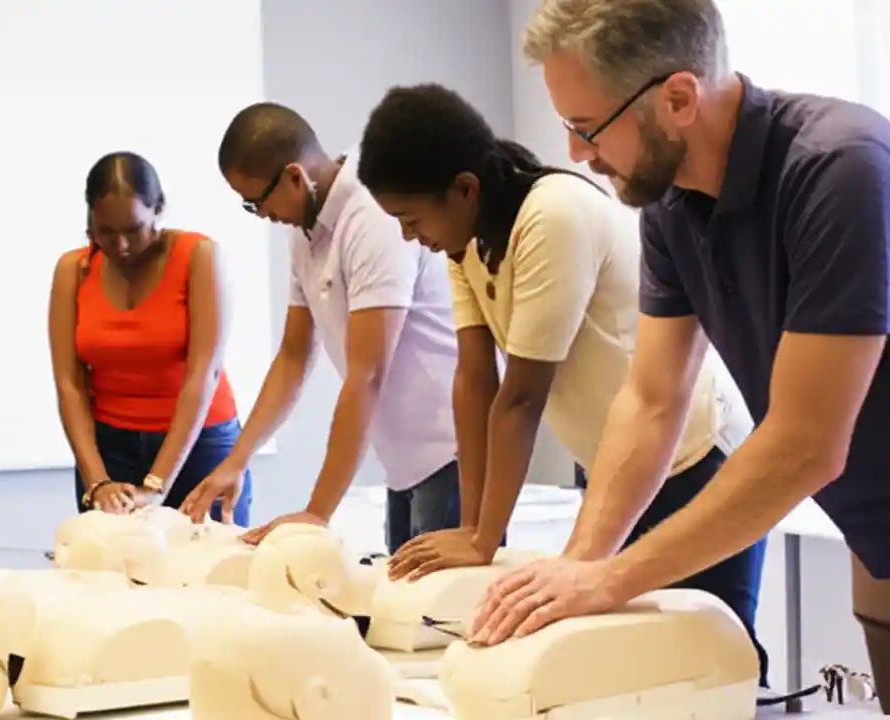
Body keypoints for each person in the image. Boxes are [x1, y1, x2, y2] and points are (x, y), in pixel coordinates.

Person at [471, 0, 890, 708]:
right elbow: (651, 397)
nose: (575, 153)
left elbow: (806, 443)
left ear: (677, 98)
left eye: (585, 127)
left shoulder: (839, 169)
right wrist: (579, 566)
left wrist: (613, 578)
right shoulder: (670, 202)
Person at [355, 82, 767, 683]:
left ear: (464, 188)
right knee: (623, 665)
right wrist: (473, 532)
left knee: (710, 660)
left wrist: (484, 539)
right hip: (614, 464)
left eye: (411, 219)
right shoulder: (464, 242)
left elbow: (521, 396)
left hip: (694, 457)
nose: (407, 236)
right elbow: (474, 383)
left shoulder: (553, 215)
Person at [179, 103, 460, 554]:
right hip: (403, 461)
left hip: (450, 451)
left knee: (432, 615)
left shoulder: (373, 217)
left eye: (257, 202)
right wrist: (237, 460)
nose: (261, 214)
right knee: (402, 604)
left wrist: (317, 513)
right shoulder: (305, 226)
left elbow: (368, 373)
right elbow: (293, 356)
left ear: (295, 176)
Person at [49, 151, 252, 524]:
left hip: (198, 444)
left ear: (158, 209)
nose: (121, 245)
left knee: (210, 570)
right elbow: (69, 384)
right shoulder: (73, 270)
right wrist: (97, 482)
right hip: (110, 446)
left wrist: (157, 484)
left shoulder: (198, 256)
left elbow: (202, 374)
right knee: (112, 570)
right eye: (106, 231)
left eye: (133, 229)